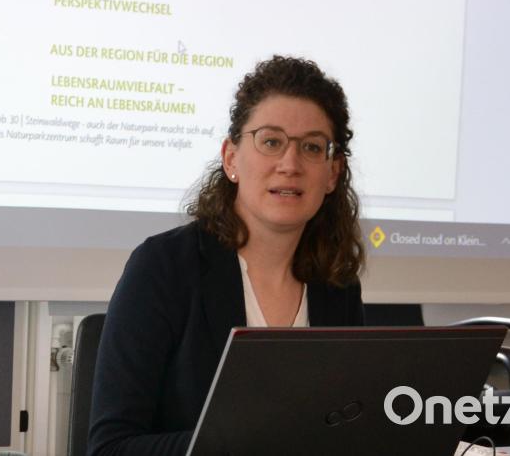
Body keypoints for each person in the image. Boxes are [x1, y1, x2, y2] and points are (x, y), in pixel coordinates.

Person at [87, 55, 366, 456]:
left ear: (333, 172)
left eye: (311, 147)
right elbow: (110, 448)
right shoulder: (164, 267)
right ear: (231, 158)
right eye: (271, 142)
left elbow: (349, 426)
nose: (290, 164)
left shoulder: (336, 282)